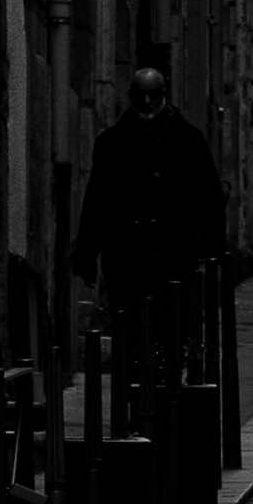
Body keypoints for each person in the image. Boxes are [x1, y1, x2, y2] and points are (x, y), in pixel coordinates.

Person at [72, 56, 228, 390]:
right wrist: (87, 253)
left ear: (163, 96)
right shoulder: (113, 143)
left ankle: (168, 385)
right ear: (131, 96)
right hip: (127, 254)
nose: (146, 104)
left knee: (171, 328)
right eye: (140, 96)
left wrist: (210, 248)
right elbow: (97, 200)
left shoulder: (187, 140)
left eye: (153, 96)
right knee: (128, 330)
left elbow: (209, 198)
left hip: (174, 254)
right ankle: (132, 399)